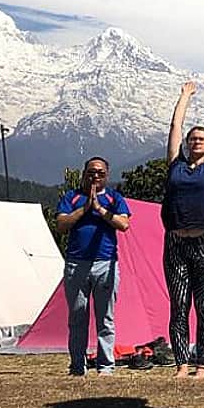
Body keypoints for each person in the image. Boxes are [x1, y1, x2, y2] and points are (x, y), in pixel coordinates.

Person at [162, 81, 204, 380]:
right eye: (193, 138)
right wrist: (184, 96)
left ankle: (202, 365)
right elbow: (175, 126)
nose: (196, 141)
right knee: (178, 307)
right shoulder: (175, 165)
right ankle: (181, 364)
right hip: (176, 243)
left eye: (202, 138)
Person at [55, 156, 131, 376]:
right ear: (84, 174)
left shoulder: (115, 198)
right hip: (76, 265)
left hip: (105, 264)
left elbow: (124, 224)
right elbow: (61, 225)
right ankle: (77, 366)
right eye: (91, 172)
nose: (95, 176)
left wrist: (99, 208)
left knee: (105, 318)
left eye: (100, 173)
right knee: (77, 317)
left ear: (107, 175)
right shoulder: (72, 197)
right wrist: (84, 209)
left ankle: (106, 366)